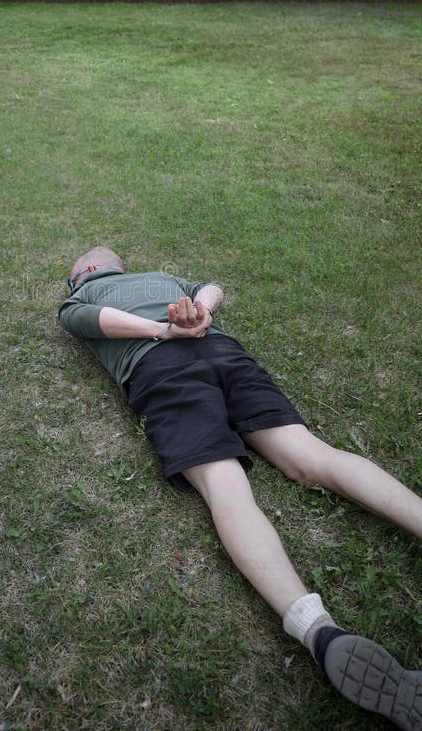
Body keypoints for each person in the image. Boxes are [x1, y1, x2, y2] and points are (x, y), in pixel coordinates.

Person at [58, 246, 422, 731]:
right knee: (311, 455)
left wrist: (169, 329)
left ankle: (318, 631)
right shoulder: (164, 277)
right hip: (224, 351)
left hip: (161, 368)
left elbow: (91, 320)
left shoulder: (78, 297)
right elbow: (211, 288)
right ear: (121, 267)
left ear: (82, 274)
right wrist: (200, 310)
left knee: (223, 482)